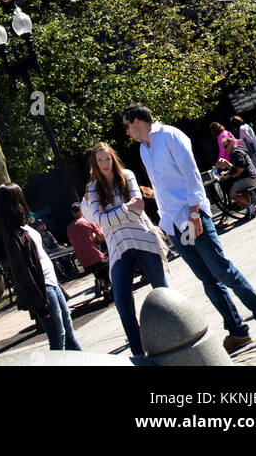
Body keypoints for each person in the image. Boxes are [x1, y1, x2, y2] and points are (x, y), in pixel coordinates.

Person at [122, 104, 256, 353]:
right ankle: (238, 331)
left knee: (224, 271)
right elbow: (162, 188)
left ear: (136, 121)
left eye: (127, 125)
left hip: (192, 216)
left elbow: (191, 175)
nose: (126, 131)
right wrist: (167, 226)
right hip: (175, 223)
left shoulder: (171, 136)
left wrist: (195, 214)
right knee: (207, 280)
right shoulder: (144, 149)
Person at [82, 142, 169, 356]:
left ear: (113, 158)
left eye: (108, 159)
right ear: (94, 163)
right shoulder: (93, 187)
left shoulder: (127, 175)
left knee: (163, 292)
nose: (105, 164)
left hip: (144, 237)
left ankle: (176, 335)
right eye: (100, 160)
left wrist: (115, 213)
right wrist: (126, 207)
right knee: (122, 301)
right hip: (119, 247)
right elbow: (101, 221)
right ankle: (139, 352)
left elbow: (139, 208)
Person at [0, 184, 82, 351]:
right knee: (59, 339)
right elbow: (23, 272)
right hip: (43, 289)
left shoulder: (24, 226)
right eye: (20, 196)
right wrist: (40, 305)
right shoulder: (13, 235)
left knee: (68, 333)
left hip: (52, 283)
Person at [66, 202, 111, 302]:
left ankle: (103, 284)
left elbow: (78, 242)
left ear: (73, 213)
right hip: (97, 258)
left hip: (85, 263)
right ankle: (109, 285)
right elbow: (103, 238)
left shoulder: (69, 228)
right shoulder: (88, 221)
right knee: (110, 260)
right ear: (82, 211)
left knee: (96, 267)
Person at [216, 133, 256, 218]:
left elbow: (240, 168)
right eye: (224, 147)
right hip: (253, 177)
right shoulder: (238, 150)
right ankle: (251, 209)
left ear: (232, 143)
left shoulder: (236, 153)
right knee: (241, 190)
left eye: (226, 146)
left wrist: (234, 175)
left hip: (250, 178)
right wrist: (226, 164)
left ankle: (252, 207)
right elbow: (237, 168)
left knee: (232, 194)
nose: (225, 149)